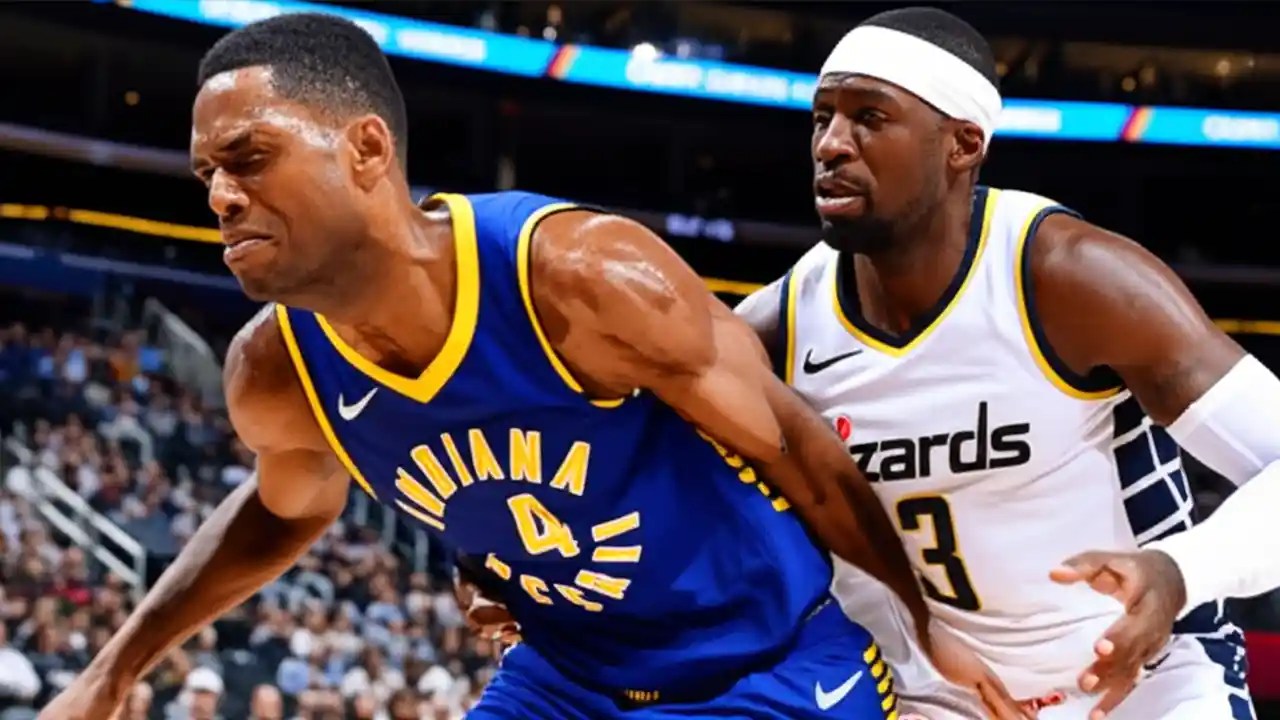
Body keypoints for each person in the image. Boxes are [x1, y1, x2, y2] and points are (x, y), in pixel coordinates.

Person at [37, 12, 1021, 720]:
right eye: (208, 173)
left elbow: (798, 446)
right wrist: (118, 668)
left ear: (368, 150)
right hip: (566, 676)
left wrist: (921, 615)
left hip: (761, 672)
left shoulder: (577, 278)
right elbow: (284, 509)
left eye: (249, 159)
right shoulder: (276, 370)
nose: (221, 196)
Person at [736, 6, 1274, 720]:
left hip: (1144, 679)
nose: (832, 144)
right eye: (822, 117)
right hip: (934, 694)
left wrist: (1183, 572)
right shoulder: (780, 326)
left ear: (962, 145)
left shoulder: (1075, 280)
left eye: (869, 117)